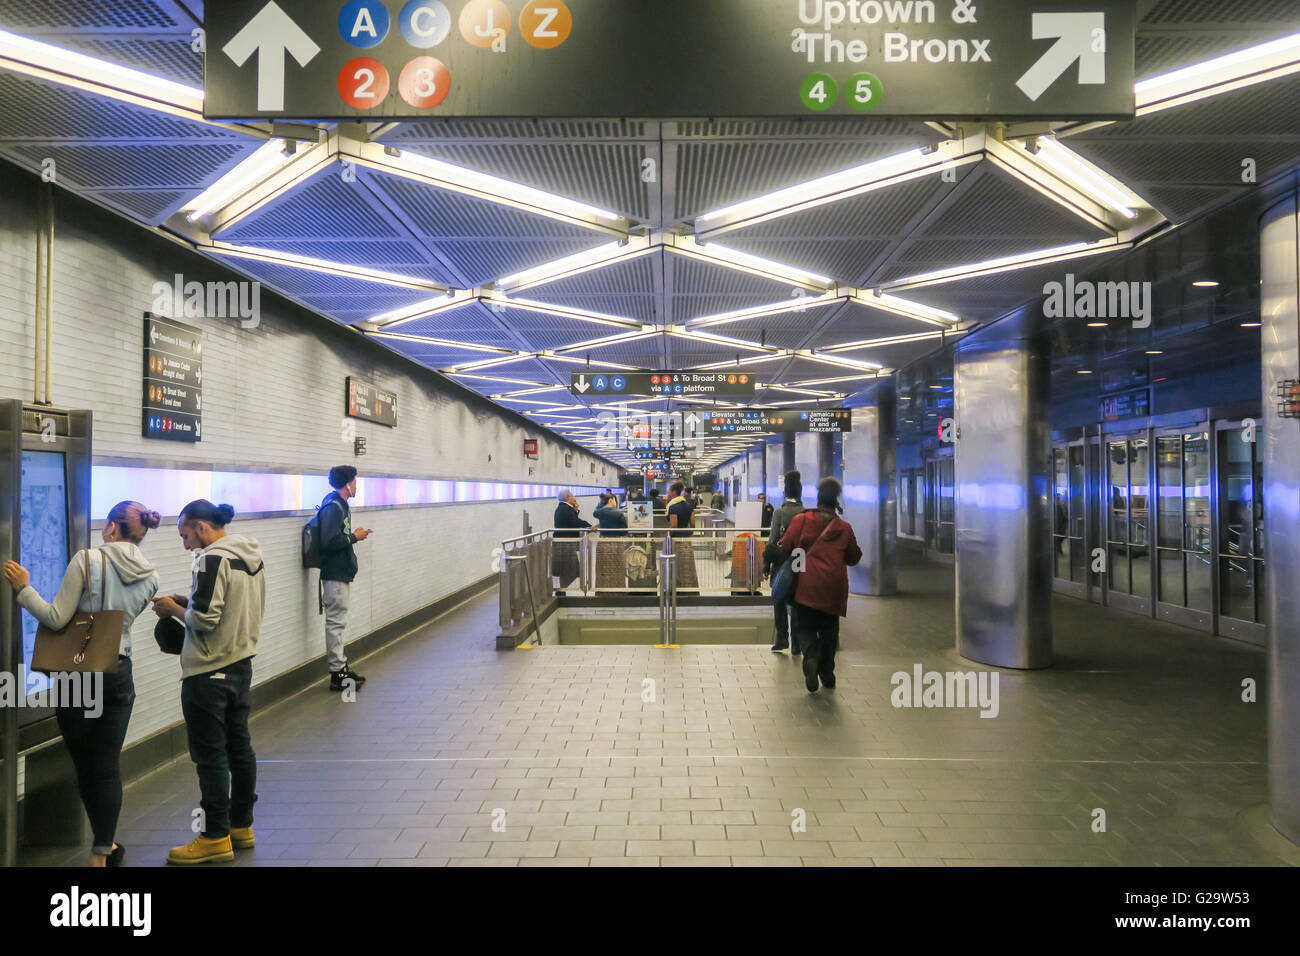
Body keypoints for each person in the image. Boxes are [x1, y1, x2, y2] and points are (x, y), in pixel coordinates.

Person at [2, 501, 161, 868]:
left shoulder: (86, 560)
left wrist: (24, 589)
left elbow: (57, 619)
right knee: (106, 765)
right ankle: (102, 851)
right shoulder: (151, 576)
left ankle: (103, 850)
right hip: (120, 672)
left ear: (110, 528)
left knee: (86, 764)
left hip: (79, 676)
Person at [152, 501, 266, 864]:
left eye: (185, 535)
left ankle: (215, 836)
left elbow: (204, 621)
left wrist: (172, 609)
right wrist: (189, 602)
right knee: (239, 749)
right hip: (240, 666)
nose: (186, 545)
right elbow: (229, 607)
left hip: (207, 673)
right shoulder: (251, 557)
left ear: (201, 526)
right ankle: (240, 826)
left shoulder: (210, 559)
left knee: (210, 756)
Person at [777, 478, 862, 694]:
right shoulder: (844, 527)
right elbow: (853, 558)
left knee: (805, 628)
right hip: (834, 588)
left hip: (806, 585)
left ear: (817, 497)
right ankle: (827, 674)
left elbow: (786, 545)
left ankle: (811, 658)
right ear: (836, 501)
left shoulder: (801, 520)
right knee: (829, 631)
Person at [318, 466, 372, 692]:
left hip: (340, 572)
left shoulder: (338, 506)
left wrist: (352, 536)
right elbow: (328, 541)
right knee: (336, 623)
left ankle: (341, 667)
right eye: (355, 481)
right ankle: (337, 674)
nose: (357, 485)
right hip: (334, 573)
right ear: (347, 484)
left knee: (338, 623)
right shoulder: (334, 508)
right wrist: (354, 537)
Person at [763, 471, 804, 653]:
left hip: (780, 562)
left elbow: (772, 541)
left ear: (785, 491)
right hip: (799, 562)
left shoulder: (779, 512)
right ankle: (797, 643)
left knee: (779, 600)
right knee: (797, 603)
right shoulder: (805, 513)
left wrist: (766, 565)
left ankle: (782, 639)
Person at [552, 491, 594, 593]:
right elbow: (575, 522)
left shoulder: (562, 508)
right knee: (569, 569)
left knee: (566, 569)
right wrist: (589, 526)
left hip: (563, 542)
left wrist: (575, 509)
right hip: (566, 543)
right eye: (572, 496)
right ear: (567, 498)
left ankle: (561, 590)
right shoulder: (566, 509)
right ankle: (561, 590)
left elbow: (572, 519)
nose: (574, 498)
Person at [666, 482, 699, 589]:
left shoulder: (673, 507)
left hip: (676, 541)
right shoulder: (689, 507)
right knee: (688, 566)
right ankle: (690, 587)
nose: (668, 494)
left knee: (677, 566)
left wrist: (667, 536)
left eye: (669, 492)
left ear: (674, 492)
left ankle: (676, 588)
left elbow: (674, 525)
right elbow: (693, 525)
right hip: (687, 540)